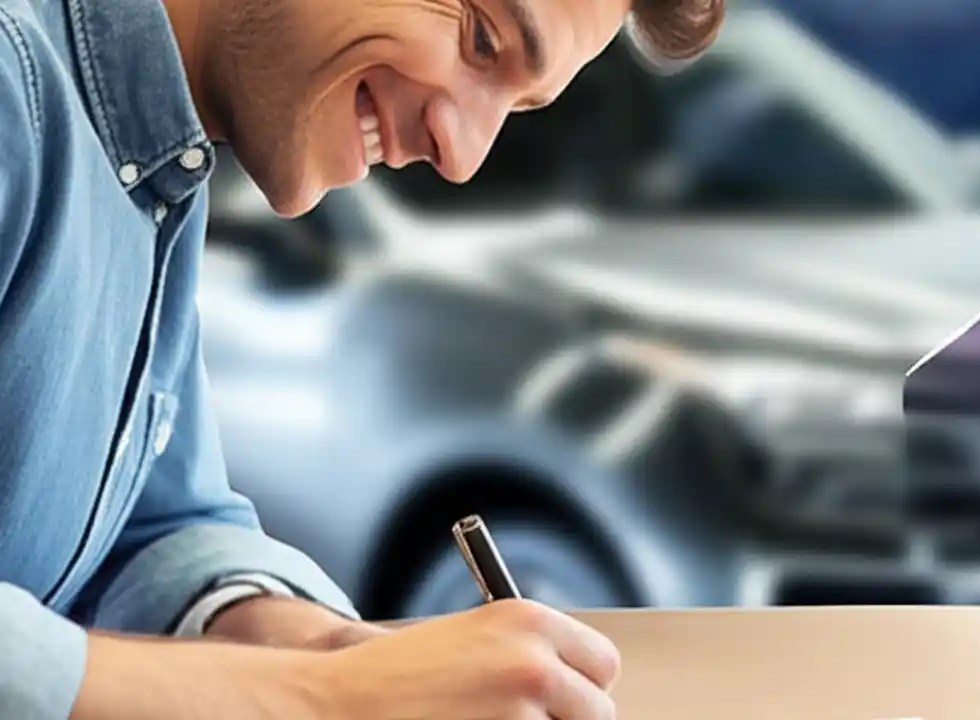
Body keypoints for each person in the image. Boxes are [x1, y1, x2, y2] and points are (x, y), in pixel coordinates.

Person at [0, 0, 723, 716]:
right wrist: (325, 701)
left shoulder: (154, 154)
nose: (461, 154)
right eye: (480, 38)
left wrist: (337, 652)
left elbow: (153, 529)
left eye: (520, 106)